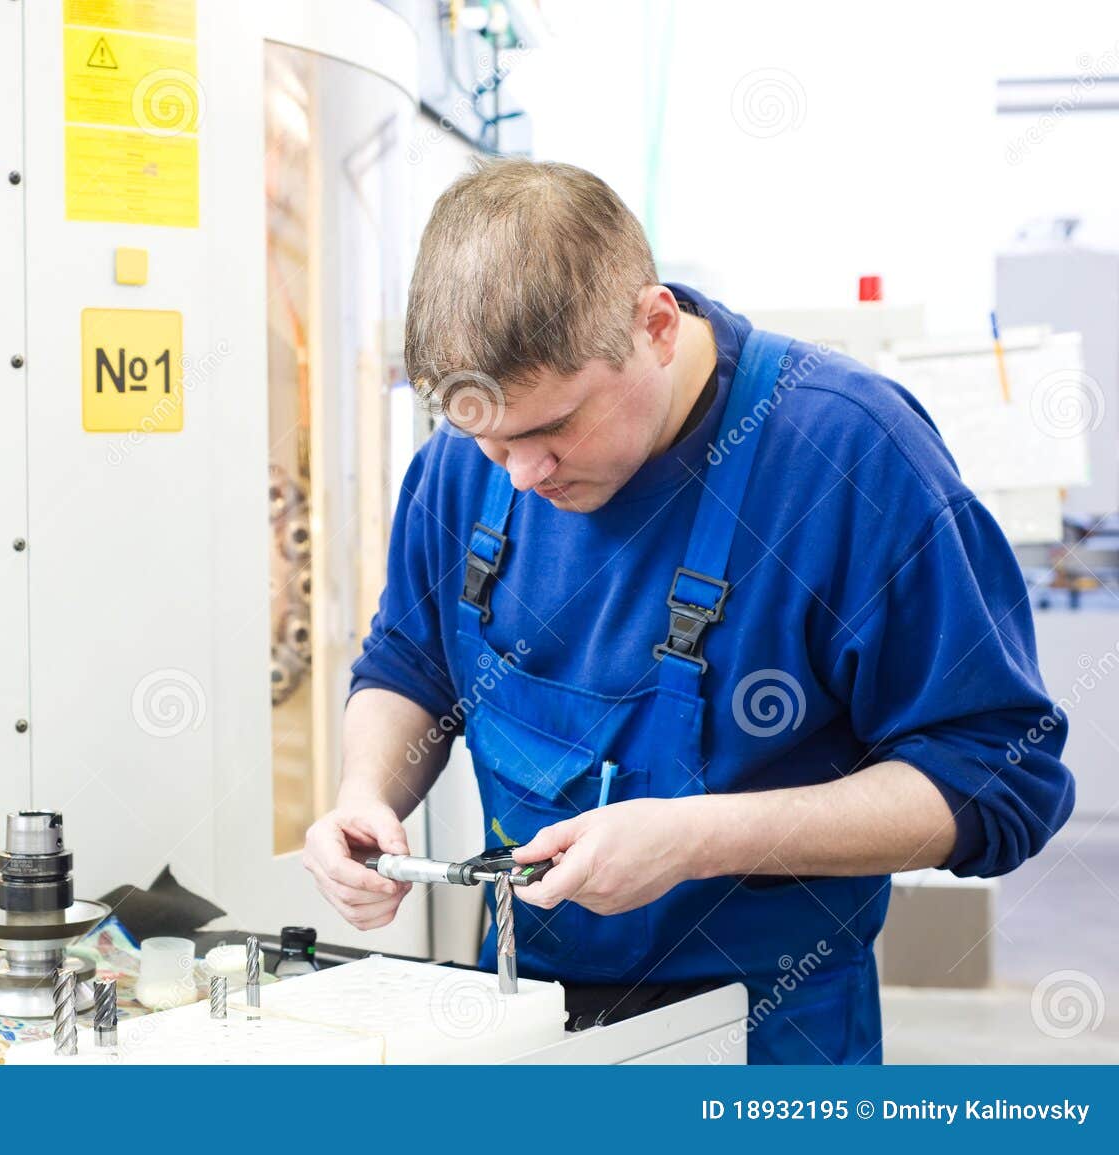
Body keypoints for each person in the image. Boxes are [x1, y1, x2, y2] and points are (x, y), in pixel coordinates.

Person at [302, 158, 1075, 1064]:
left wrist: (698, 838)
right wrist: (366, 795)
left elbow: (996, 775)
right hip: (521, 1017)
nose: (521, 473)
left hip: (771, 1040)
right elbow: (413, 666)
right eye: (490, 437)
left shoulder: (848, 456)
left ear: (656, 326)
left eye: (555, 430)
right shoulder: (460, 465)